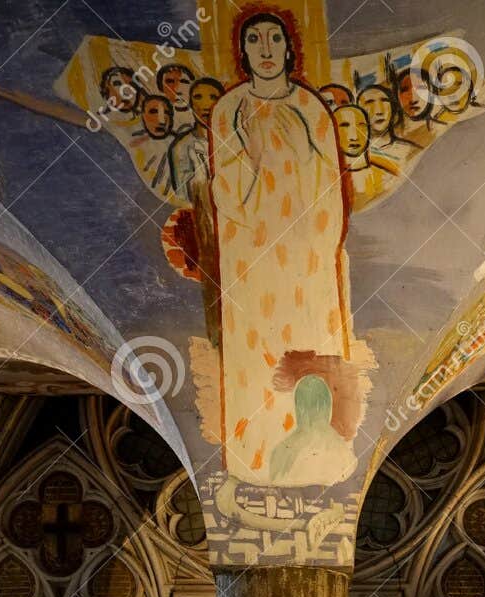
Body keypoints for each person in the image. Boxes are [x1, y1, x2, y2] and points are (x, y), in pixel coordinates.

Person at [209, 11, 352, 485]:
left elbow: (331, 183)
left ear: (289, 49)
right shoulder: (229, 109)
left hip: (305, 256)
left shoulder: (311, 108)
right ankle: (255, 458)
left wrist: (319, 244)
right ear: (243, 52)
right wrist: (248, 152)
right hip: (250, 257)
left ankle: (318, 454)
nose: (266, 48)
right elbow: (228, 196)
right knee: (258, 355)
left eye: (275, 38)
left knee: (309, 354)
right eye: (255, 40)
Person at [334, 103, 399, 210]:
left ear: (368, 131)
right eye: (344, 126)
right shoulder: (329, 181)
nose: (354, 136)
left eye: (361, 126)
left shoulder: (387, 178)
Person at [169, 77, 223, 198]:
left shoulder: (235, 141)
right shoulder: (181, 146)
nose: (205, 105)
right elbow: (182, 195)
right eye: (198, 97)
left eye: (213, 97)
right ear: (190, 103)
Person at [357, 84, 419, 166]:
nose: (379, 111)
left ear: (392, 108)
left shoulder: (411, 150)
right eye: (369, 102)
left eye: (384, 100)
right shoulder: (358, 159)